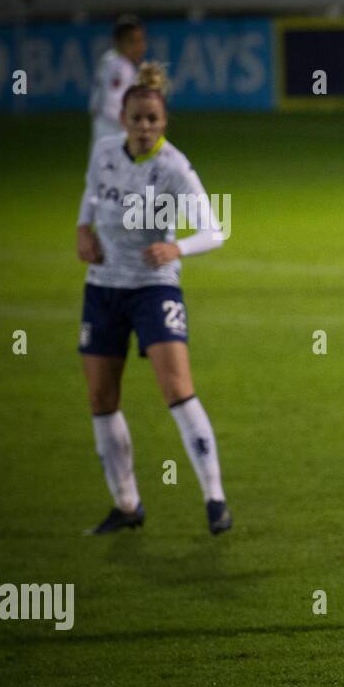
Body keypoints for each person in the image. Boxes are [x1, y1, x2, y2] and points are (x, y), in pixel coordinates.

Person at [76, 61, 232, 536]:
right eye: (137, 119)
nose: (144, 127)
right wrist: (83, 227)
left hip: (154, 286)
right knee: (102, 396)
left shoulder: (173, 169)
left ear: (164, 124)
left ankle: (214, 497)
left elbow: (215, 230)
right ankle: (127, 505)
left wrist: (176, 247)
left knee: (177, 389)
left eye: (153, 120)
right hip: (103, 287)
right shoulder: (104, 152)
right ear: (122, 119)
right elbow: (91, 194)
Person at [89, 15, 146, 150]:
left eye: (141, 40)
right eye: (132, 41)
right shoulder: (121, 67)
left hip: (103, 130)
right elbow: (111, 108)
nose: (140, 46)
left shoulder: (109, 58)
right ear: (119, 42)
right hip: (113, 134)